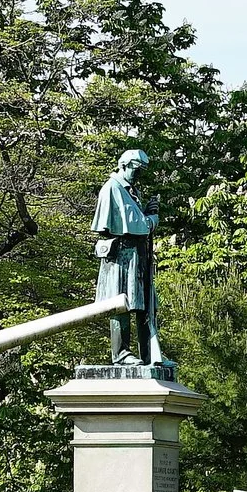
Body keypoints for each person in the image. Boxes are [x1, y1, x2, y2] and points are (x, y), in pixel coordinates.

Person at [94, 148, 162, 364]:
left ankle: (150, 355)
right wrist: (151, 219)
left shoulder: (129, 191)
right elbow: (138, 226)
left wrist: (147, 212)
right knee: (120, 302)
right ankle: (121, 353)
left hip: (137, 255)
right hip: (121, 258)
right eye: (136, 169)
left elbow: (135, 221)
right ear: (123, 165)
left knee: (145, 303)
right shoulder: (113, 188)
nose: (139, 174)